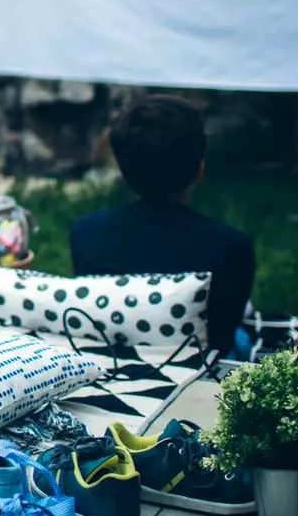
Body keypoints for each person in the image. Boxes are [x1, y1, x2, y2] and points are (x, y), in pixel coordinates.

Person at [69, 95, 255, 354]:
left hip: (116, 361)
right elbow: (222, 341)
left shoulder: (85, 233)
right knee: (243, 337)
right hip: (199, 374)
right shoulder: (231, 246)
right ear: (200, 168)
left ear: (123, 170)